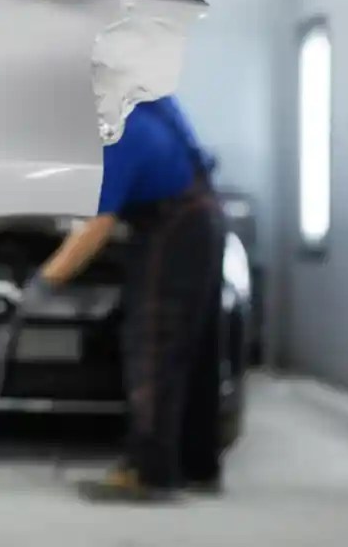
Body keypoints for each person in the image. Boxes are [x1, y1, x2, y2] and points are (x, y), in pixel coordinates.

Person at [24, 95, 225, 501]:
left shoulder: (119, 135)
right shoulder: (146, 99)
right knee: (191, 351)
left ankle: (150, 474)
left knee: (153, 346)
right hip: (200, 216)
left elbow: (97, 225)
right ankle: (196, 465)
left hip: (174, 227)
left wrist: (46, 280)